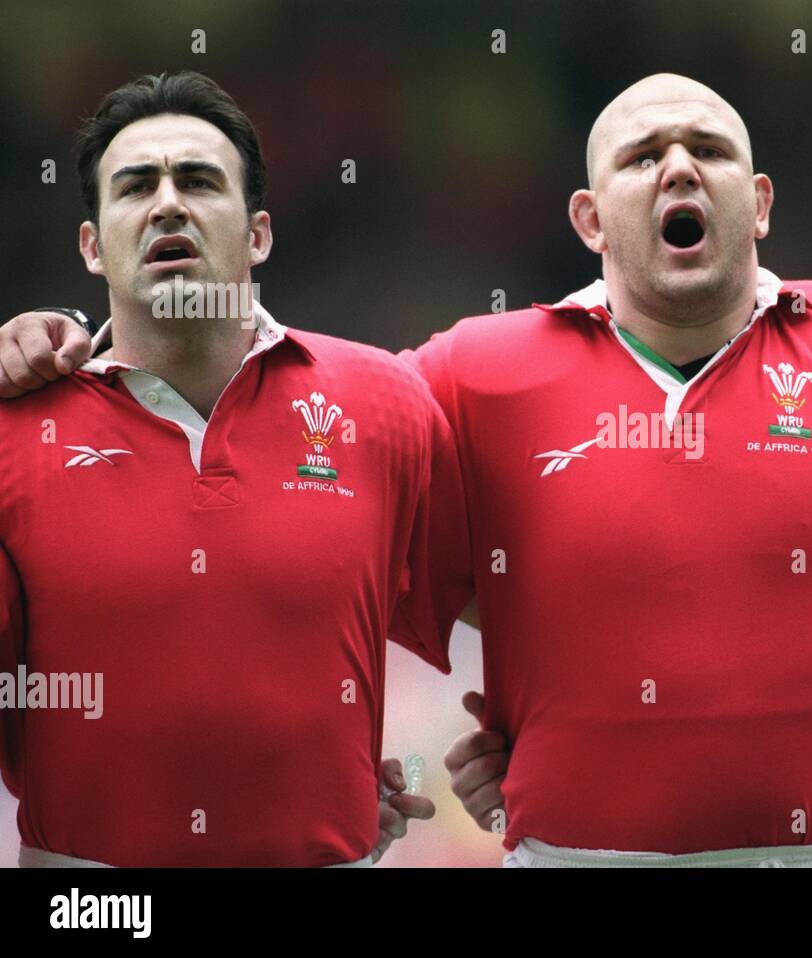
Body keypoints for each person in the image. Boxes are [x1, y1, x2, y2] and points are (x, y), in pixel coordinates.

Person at [5, 75, 812, 867]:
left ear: (762, 199)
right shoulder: (460, 370)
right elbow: (292, 469)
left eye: (710, 150)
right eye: (640, 155)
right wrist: (75, 347)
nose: (679, 168)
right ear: (589, 217)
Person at [0, 71, 469, 866]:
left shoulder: (386, 404)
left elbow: (520, 614)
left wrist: (430, 768)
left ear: (257, 235)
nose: (168, 203)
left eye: (199, 180)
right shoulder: (14, 429)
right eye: (136, 185)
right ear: (92, 246)